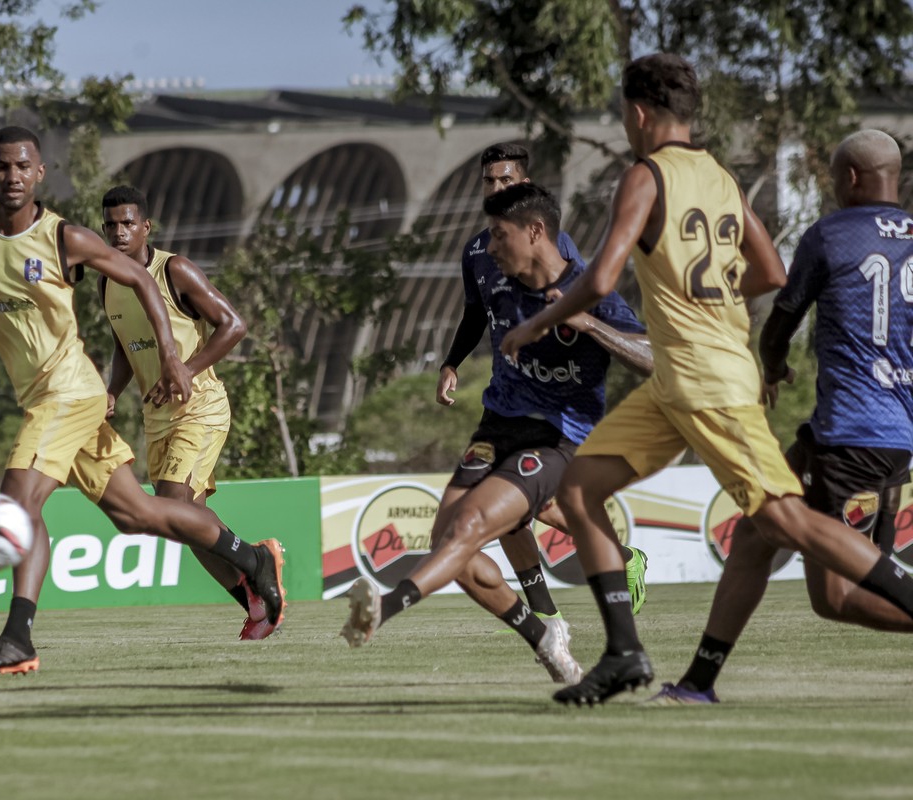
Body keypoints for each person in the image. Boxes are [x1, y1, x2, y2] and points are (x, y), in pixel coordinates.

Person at [499, 54, 913, 706]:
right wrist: (716, 291)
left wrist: (532, 325)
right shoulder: (720, 177)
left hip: (708, 380)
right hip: (677, 379)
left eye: (624, 115)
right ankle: (625, 653)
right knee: (581, 490)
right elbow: (771, 271)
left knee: (784, 519)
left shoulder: (645, 175)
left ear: (638, 114)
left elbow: (602, 278)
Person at [0, 126, 285, 677]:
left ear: (39, 174)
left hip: (69, 392)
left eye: (23, 167)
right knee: (136, 515)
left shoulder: (65, 237)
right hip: (52, 398)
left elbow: (144, 278)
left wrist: (171, 355)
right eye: (1, 167)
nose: (12, 176)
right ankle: (251, 559)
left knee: (19, 504)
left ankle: (18, 637)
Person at [341, 182, 653, 685]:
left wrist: (591, 326)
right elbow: (471, 321)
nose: (488, 248)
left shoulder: (589, 288)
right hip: (496, 427)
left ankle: (385, 605)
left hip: (556, 439)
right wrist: (451, 363)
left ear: (535, 231)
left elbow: (653, 358)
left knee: (468, 529)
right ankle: (542, 635)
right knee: (450, 545)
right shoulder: (498, 284)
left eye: (498, 235)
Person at [649, 129, 913, 704]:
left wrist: (769, 368)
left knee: (835, 600)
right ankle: (699, 684)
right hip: (879, 432)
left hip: (850, 432)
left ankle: (699, 683)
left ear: (848, 178)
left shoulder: (831, 234)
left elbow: (782, 318)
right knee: (753, 535)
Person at [437, 143, 650, 621]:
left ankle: (615, 565)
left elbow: (579, 306)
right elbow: (476, 313)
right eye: (490, 181)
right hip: (507, 396)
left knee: (522, 507)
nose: (497, 188)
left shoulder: (553, 245)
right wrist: (452, 362)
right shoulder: (477, 249)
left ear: (526, 184)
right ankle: (548, 614)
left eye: (506, 180)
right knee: (515, 511)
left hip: (552, 406)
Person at [99, 185, 278, 640]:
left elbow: (234, 324)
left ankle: (259, 560)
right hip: (156, 416)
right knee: (183, 521)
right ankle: (256, 603)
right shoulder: (108, 281)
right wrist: (111, 391)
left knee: (174, 507)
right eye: (110, 224)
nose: (118, 232)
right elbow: (125, 344)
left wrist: (186, 367)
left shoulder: (173, 270)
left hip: (200, 406)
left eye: (127, 223)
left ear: (145, 227)